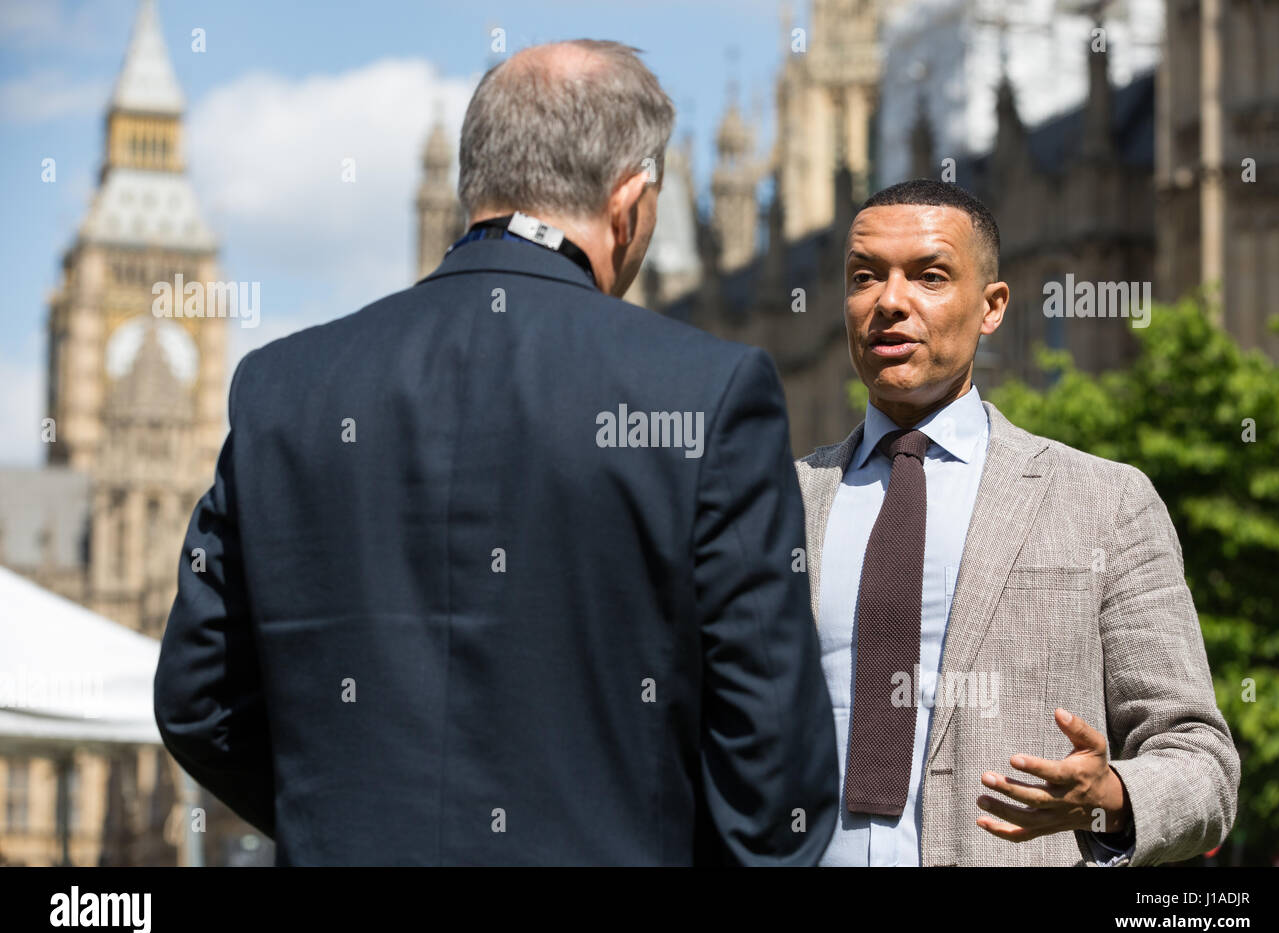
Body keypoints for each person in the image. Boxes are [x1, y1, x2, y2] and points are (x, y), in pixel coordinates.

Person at [153, 40, 838, 865]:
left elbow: (198, 702)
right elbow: (775, 777)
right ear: (631, 199)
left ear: (473, 183)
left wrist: (340, 821)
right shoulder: (707, 392)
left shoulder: (284, 390)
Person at [797, 178, 1239, 865]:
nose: (889, 301)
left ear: (992, 306)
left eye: (930, 276)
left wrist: (1111, 795)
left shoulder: (1105, 501)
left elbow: (1202, 765)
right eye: (864, 278)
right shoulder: (779, 503)